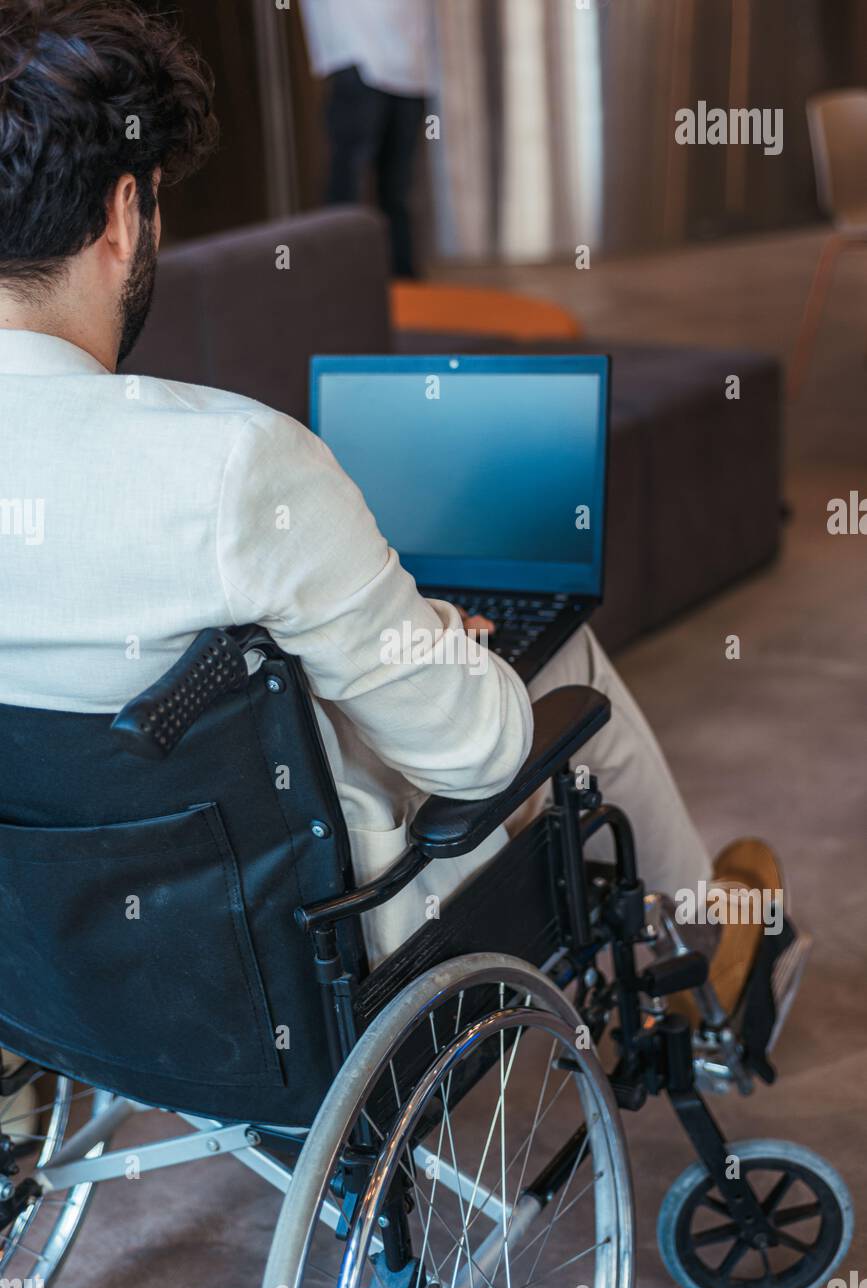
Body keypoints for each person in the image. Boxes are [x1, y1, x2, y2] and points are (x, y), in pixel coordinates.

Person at [0, 0, 773, 1024]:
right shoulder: (235, 461)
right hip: (302, 955)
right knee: (557, 667)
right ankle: (697, 960)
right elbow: (483, 753)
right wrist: (445, 643)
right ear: (122, 213)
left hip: (52, 964)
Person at [298, 0, 433, 277]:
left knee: (398, 190)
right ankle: (340, 281)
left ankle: (405, 288)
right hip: (358, 58)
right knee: (348, 186)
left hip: (413, 68)